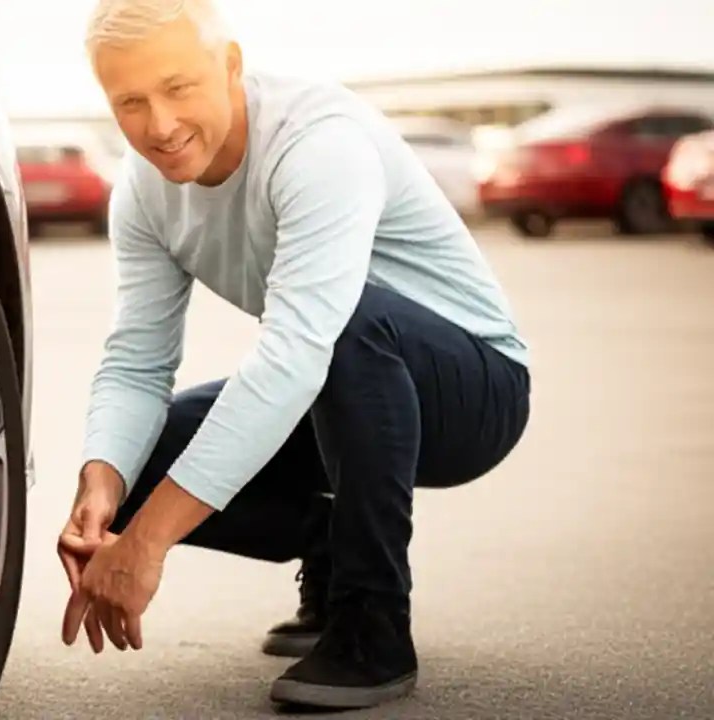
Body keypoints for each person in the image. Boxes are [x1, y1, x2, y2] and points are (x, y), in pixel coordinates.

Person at [55, 0, 533, 711]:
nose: (159, 124)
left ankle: (373, 622)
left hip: (471, 390)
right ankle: (334, 545)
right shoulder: (144, 189)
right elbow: (136, 363)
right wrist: (103, 493)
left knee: (343, 323)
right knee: (135, 464)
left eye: (179, 86)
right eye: (130, 101)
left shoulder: (318, 143)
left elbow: (295, 352)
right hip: (330, 390)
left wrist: (149, 545)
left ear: (231, 66)